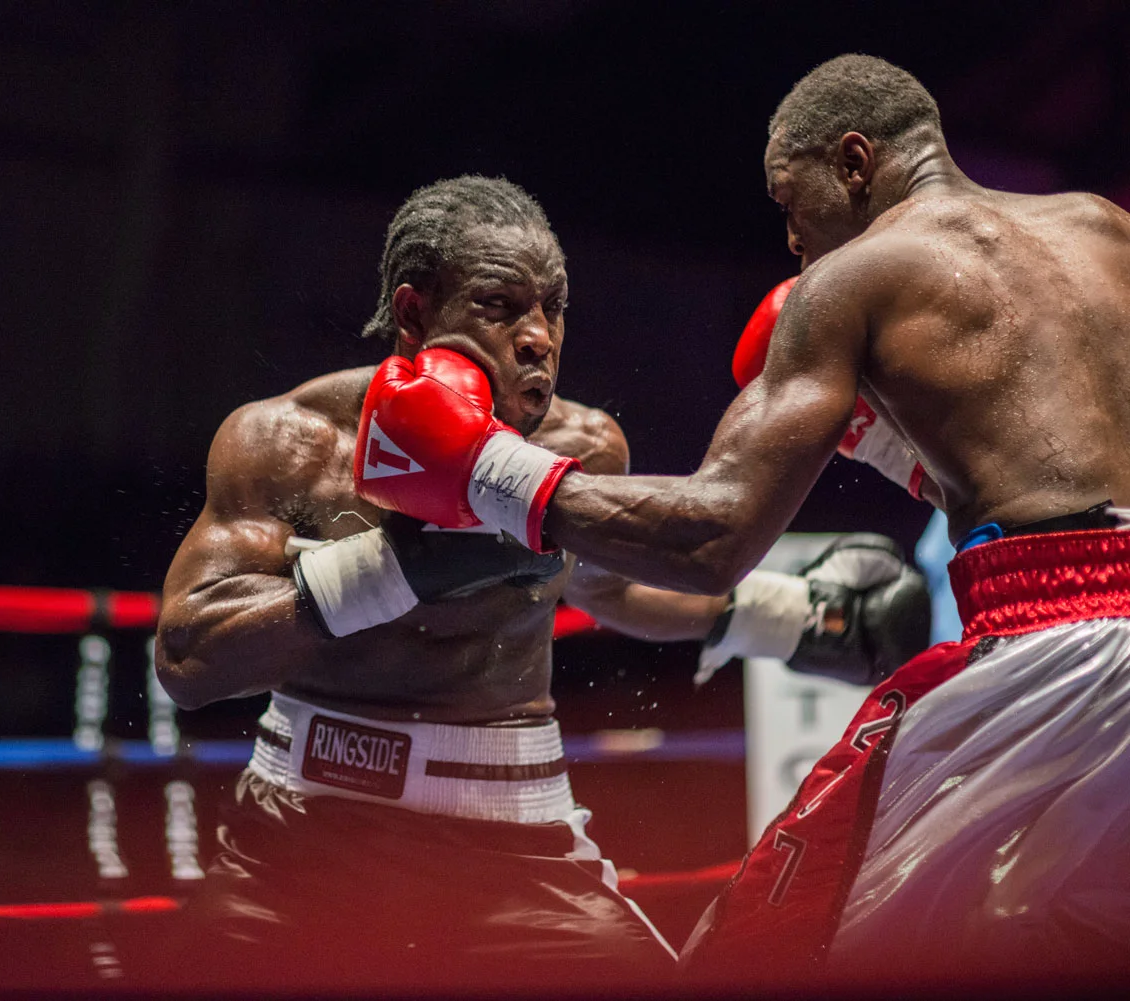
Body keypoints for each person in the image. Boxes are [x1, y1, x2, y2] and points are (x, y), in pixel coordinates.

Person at [354, 56, 1130, 979]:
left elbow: (710, 535)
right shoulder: (1104, 229)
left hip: (1052, 657)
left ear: (854, 162)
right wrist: (900, 457)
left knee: (770, 955)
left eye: (789, 203)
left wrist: (484, 470)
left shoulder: (849, 282)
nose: (793, 241)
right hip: (1079, 632)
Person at [154, 175, 924, 988]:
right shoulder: (288, 442)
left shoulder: (581, 450)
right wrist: (395, 569)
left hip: (513, 845)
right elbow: (188, 658)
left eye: (553, 308)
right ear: (414, 313)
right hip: (296, 834)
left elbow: (611, 589)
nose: (538, 338)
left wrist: (797, 617)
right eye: (501, 306)